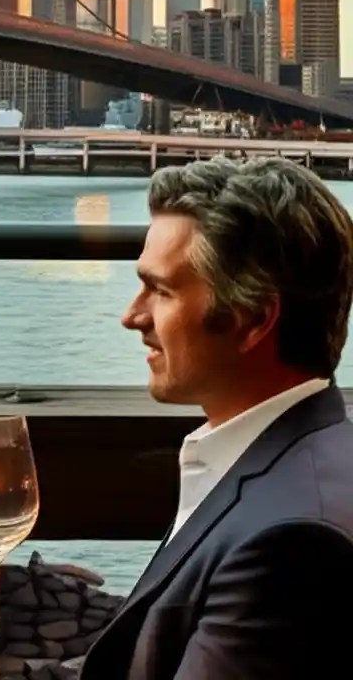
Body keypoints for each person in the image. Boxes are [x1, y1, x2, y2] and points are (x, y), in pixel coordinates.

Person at [80, 156, 353, 679]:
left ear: (253, 318)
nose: (132, 316)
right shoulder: (299, 462)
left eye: (160, 290)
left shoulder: (290, 545)